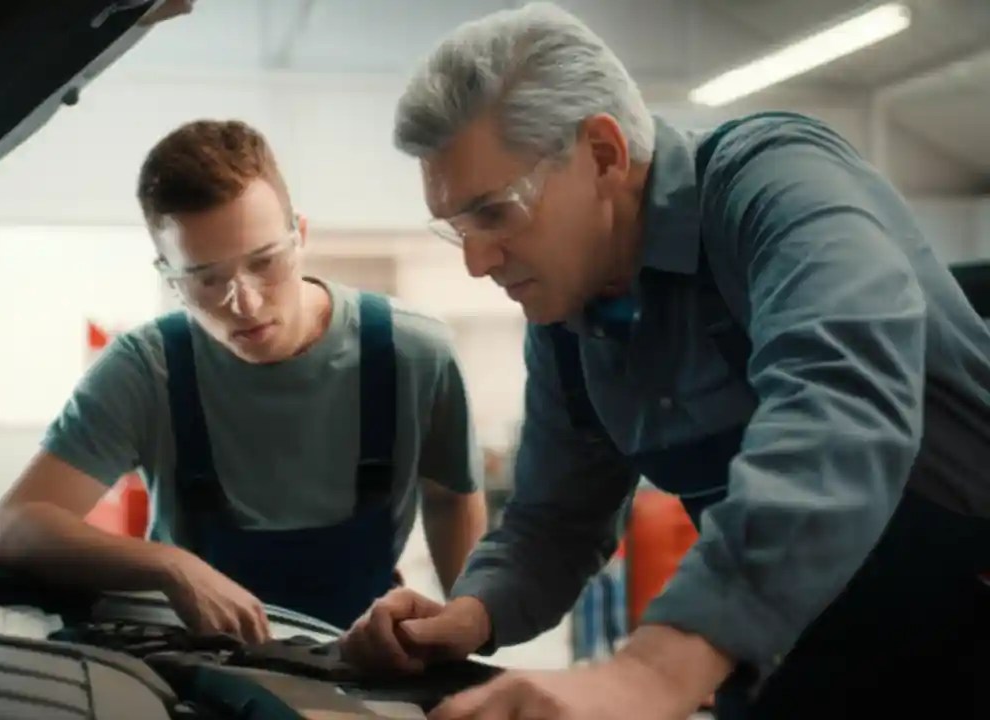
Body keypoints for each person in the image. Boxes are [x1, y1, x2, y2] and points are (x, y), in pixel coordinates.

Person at [339, 4, 990, 718]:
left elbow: (842, 409)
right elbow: (556, 520)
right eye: (456, 226)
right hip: (801, 651)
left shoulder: (776, 186)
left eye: (494, 211)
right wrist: (469, 613)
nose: (475, 261)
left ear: (604, 155)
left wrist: (647, 672)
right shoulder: (570, 316)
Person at [0, 119, 488, 642]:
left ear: (301, 237)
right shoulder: (146, 369)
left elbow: (452, 498)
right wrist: (169, 566)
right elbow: (12, 528)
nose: (243, 303)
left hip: (363, 662)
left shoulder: (414, 353)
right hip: (193, 669)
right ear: (169, 278)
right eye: (207, 278)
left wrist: (465, 634)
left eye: (264, 262)